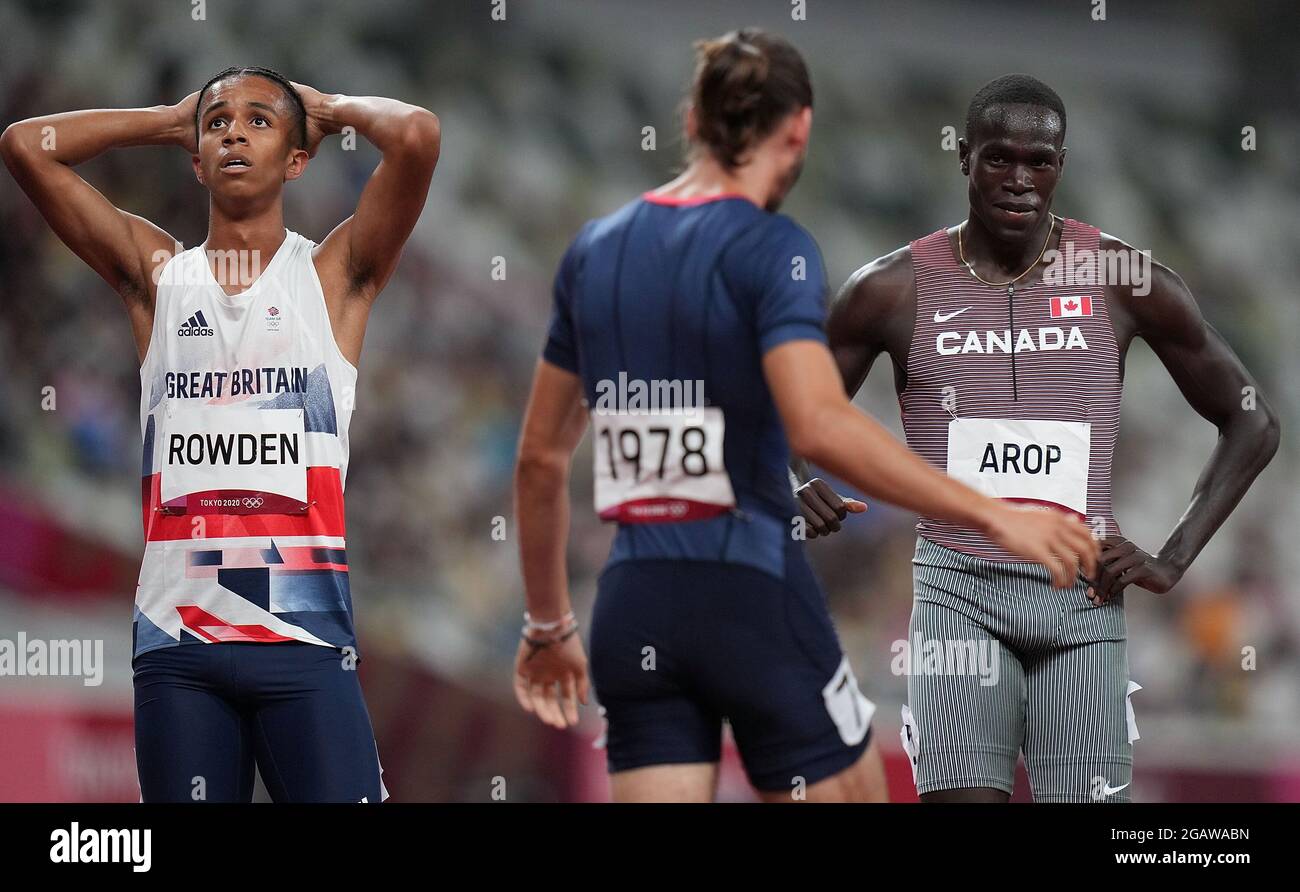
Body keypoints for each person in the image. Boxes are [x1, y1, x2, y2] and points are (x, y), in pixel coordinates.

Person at [512, 34, 1096, 803]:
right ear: (799, 131)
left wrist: (549, 625)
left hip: (635, 601)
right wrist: (994, 515)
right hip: (749, 594)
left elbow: (540, 463)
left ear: (691, 120)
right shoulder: (773, 248)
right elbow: (819, 424)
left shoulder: (594, 251)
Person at [801, 74, 1280, 802]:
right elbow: (791, 408)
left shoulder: (1122, 278)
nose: (1020, 180)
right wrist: (790, 481)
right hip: (956, 592)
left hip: (1082, 599)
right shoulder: (892, 288)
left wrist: (1173, 557)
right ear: (963, 157)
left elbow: (1252, 420)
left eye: (1040, 161)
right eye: (999, 158)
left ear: (1062, 164)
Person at [1, 66, 440, 801]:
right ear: (196, 158)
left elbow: (418, 134)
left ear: (299, 160)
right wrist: (169, 119)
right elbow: (24, 146)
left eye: (260, 121)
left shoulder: (335, 278)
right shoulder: (158, 277)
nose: (233, 130)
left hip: (303, 647)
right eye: (217, 122)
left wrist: (324, 107)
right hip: (179, 652)